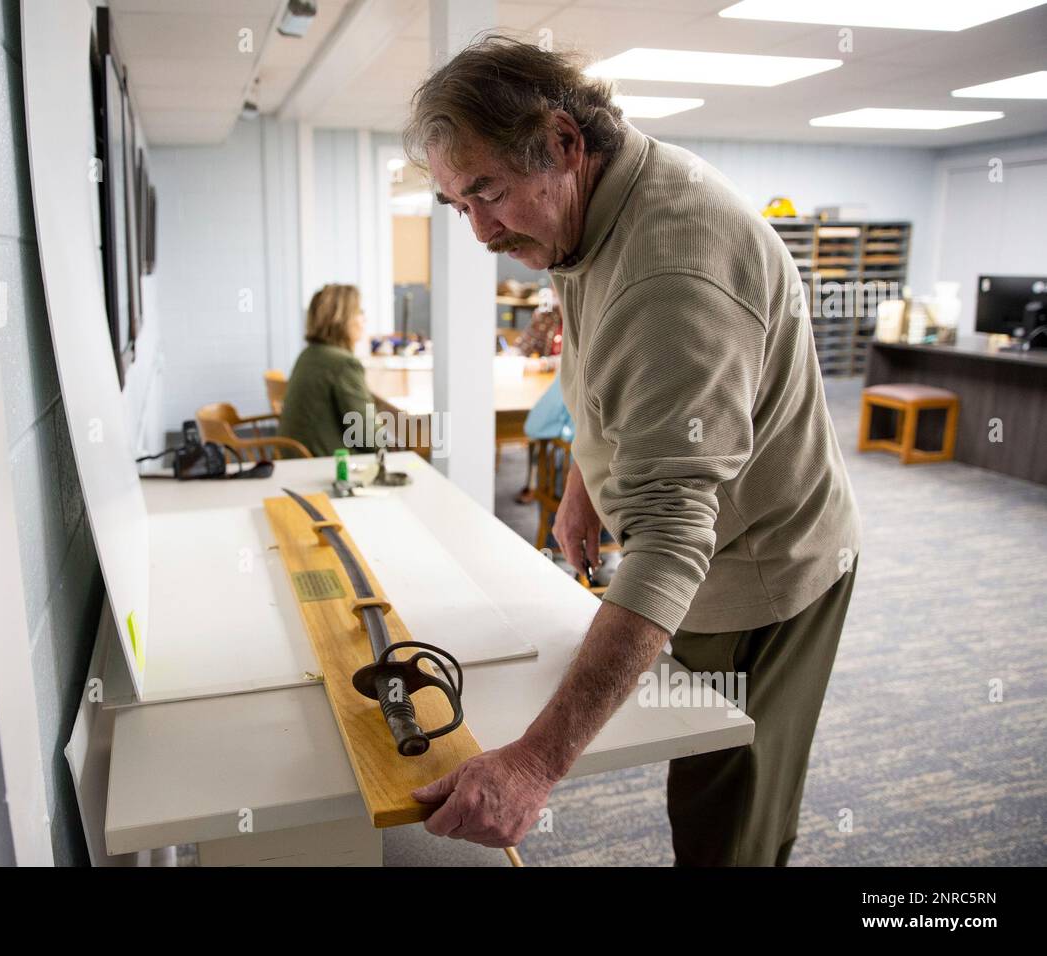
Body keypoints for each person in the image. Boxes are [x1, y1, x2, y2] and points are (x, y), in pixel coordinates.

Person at [402, 35, 860, 865]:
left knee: (727, 813)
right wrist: (585, 479)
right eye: (456, 205)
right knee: (698, 763)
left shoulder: (671, 275)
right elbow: (600, 365)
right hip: (711, 538)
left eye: (488, 194)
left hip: (761, 567)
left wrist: (535, 765)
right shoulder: (580, 213)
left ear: (565, 144)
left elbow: (676, 537)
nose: (477, 229)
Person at [278, 284, 376, 458]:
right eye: (359, 312)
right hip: (325, 464)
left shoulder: (309, 354)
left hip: (294, 458)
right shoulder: (344, 363)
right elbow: (369, 439)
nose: (364, 319)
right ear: (342, 319)